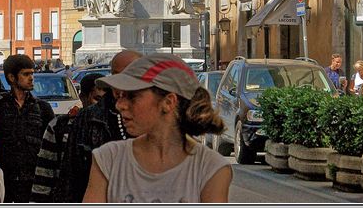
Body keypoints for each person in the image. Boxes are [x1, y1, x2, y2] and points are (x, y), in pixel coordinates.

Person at [84, 54, 232, 203]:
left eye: (132, 96)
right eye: (120, 96)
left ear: (168, 102)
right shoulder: (108, 158)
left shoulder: (210, 168)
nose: (119, 105)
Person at [43, 50, 142, 202]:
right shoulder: (89, 117)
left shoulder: (156, 119)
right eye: (117, 76)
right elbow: (70, 174)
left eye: (130, 76)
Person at [0, 54, 55, 202]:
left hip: (33, 181)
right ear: (11, 77)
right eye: (26, 74)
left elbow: (51, 147)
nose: (31, 78)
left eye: (32, 74)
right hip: (5, 180)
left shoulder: (43, 108)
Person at [31, 72, 105, 202]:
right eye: (97, 100)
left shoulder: (115, 127)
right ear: (83, 97)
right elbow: (44, 172)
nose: (101, 106)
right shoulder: (59, 126)